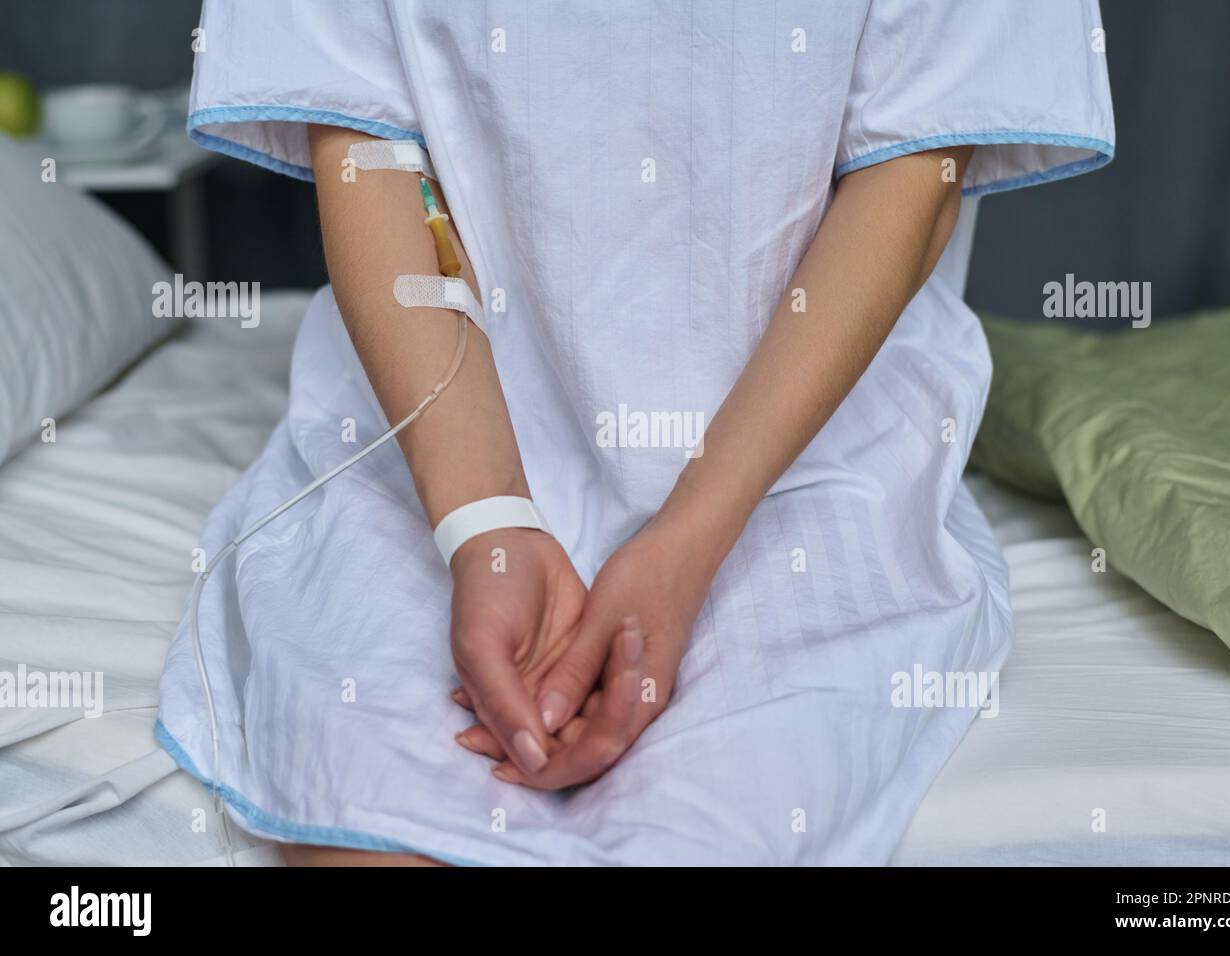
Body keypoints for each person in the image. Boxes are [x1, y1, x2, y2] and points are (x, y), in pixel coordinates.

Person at [158, 0, 1115, 865]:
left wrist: (692, 534)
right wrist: (481, 519)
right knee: (367, 812)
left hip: (801, 454)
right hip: (428, 438)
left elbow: (917, 164)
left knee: (712, 829)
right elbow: (365, 141)